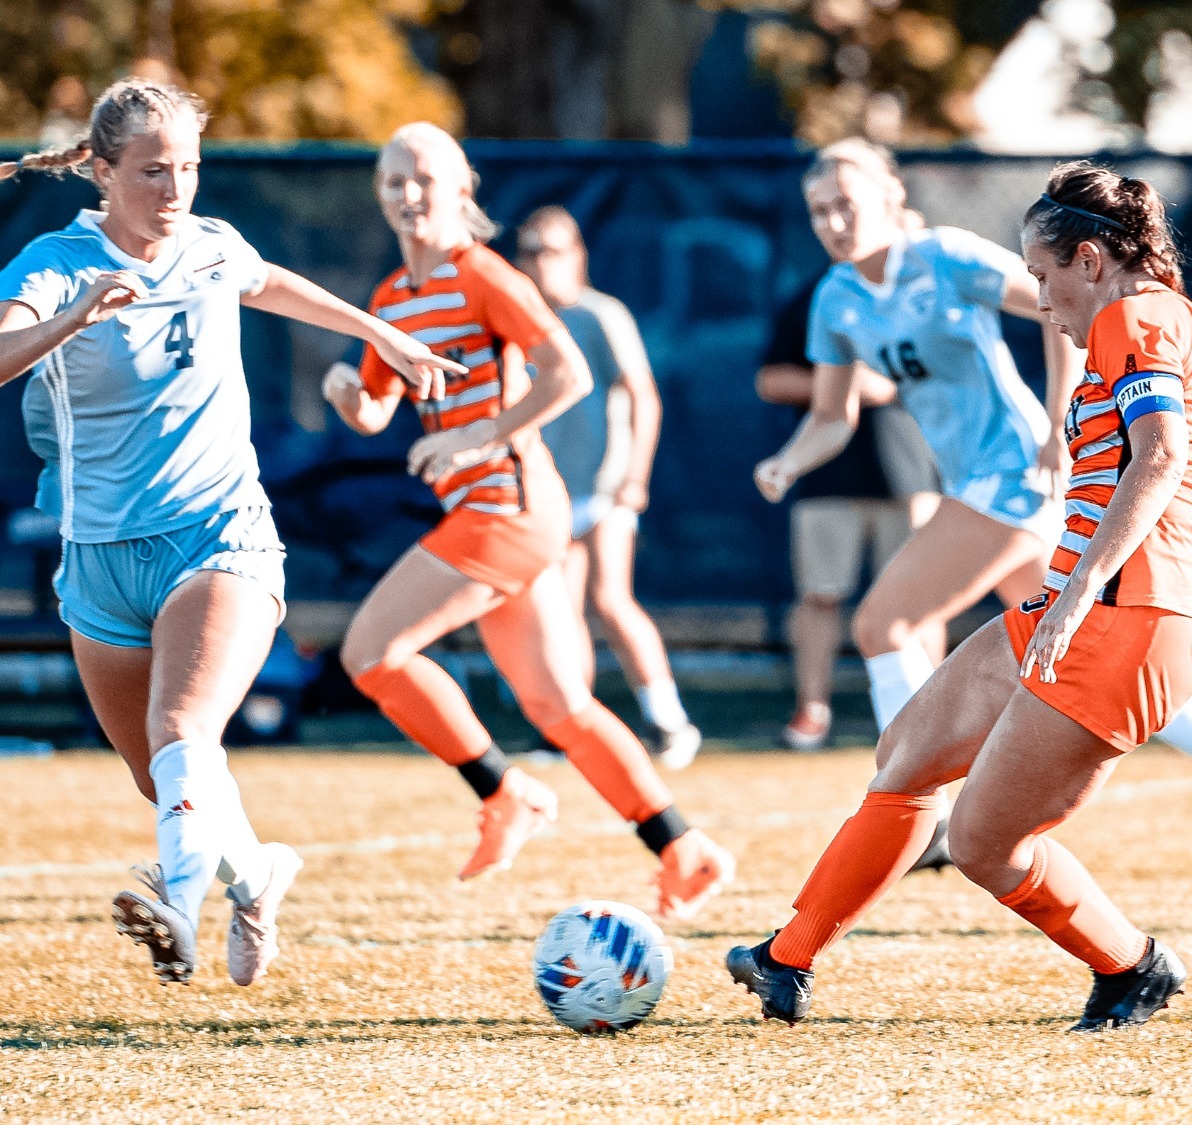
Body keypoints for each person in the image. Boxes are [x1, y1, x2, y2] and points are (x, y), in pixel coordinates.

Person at [725, 162, 1192, 1030]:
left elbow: (1161, 458)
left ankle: (1133, 966)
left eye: (1043, 274)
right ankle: (787, 957)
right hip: (1106, 619)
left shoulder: (1129, 319)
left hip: (1106, 622)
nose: (1041, 298)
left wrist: (1087, 600)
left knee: (984, 846)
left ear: (1093, 260)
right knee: (907, 754)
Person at [0, 80, 466, 985]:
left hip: (219, 535)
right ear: (100, 172)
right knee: (169, 780)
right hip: (98, 560)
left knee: (184, 728)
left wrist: (387, 337)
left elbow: (274, 284)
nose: (175, 191)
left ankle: (175, 909)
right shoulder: (54, 263)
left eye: (189, 168)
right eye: (150, 172)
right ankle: (257, 877)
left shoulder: (212, 245)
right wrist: (73, 318)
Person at [324, 123, 733, 919]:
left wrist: (482, 432)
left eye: (424, 179)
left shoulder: (482, 275)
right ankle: (684, 847)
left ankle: (503, 790)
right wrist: (349, 391)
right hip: (499, 515)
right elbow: (375, 412)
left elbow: (568, 373)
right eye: (392, 182)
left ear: (462, 189)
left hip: (507, 510)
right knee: (560, 706)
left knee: (371, 651)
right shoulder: (391, 299)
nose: (408, 195)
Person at [512, 206, 702, 769]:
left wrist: (634, 479)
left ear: (577, 255)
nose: (538, 262)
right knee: (561, 611)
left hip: (606, 486)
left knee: (610, 600)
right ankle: (570, 730)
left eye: (550, 249)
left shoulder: (600, 315)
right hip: (550, 490)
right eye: (528, 251)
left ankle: (671, 722)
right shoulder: (521, 321)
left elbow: (643, 395)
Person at [754, 270, 942, 752]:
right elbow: (773, 379)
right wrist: (839, 383)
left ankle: (928, 714)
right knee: (820, 595)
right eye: (827, 211)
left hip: (911, 475)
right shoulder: (821, 297)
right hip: (827, 479)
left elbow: (953, 372)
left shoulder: (935, 291)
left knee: (920, 602)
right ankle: (812, 711)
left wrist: (890, 382)